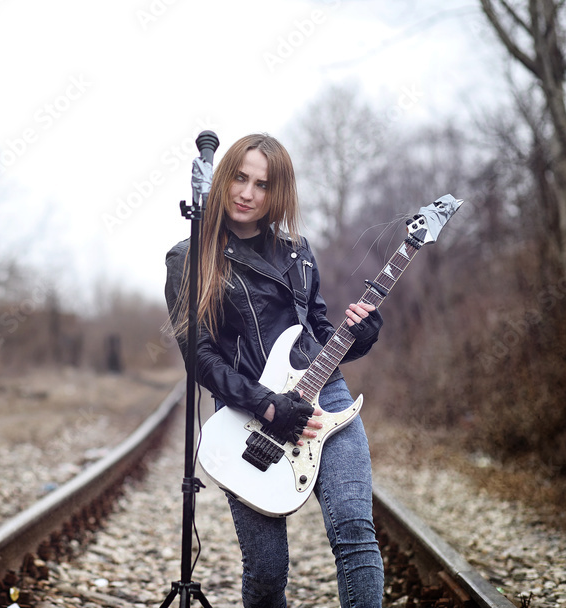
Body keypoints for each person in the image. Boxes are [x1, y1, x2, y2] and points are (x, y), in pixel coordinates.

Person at [164, 133, 385, 608]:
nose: (247, 193)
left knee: (353, 526)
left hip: (326, 399)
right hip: (249, 416)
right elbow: (200, 358)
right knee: (267, 570)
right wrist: (268, 406)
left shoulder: (298, 252)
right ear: (222, 179)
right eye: (240, 178)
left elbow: (321, 336)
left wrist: (361, 336)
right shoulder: (190, 257)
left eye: (262, 184)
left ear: (277, 193)